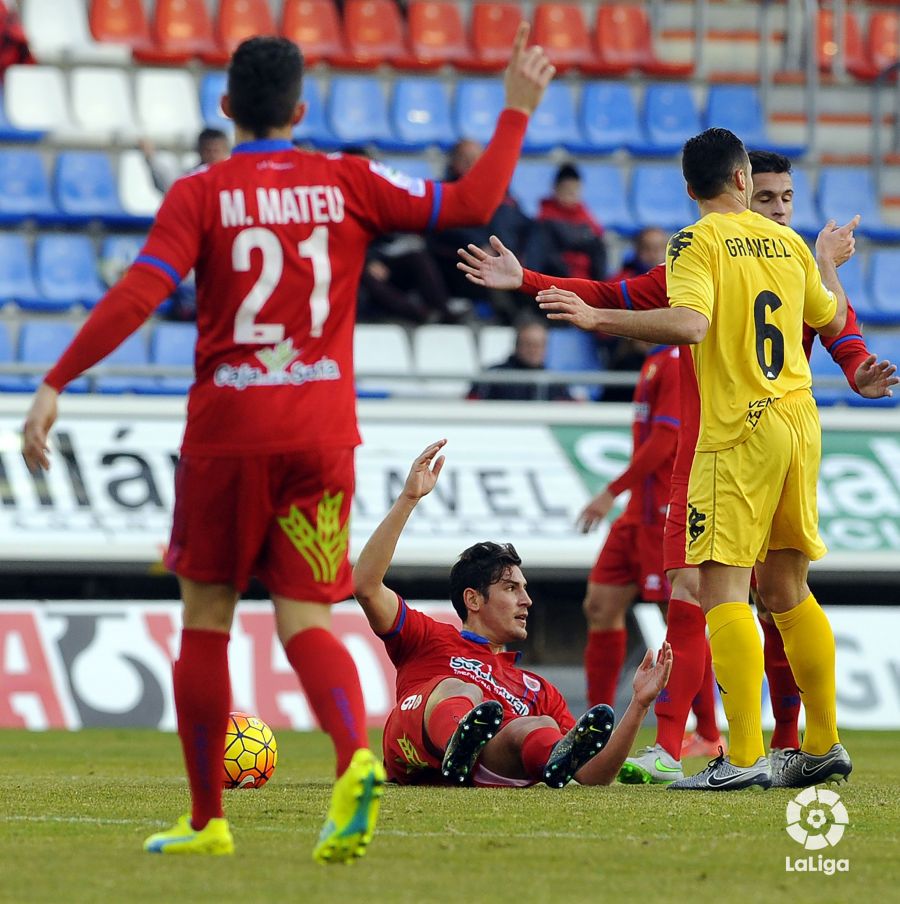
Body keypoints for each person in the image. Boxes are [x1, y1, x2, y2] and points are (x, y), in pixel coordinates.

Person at [22, 29, 555, 859]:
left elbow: (139, 291)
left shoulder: (201, 192)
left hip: (229, 436)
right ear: (301, 110)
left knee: (207, 620)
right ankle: (351, 764)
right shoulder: (346, 180)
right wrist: (517, 110)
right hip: (319, 437)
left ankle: (206, 821)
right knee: (306, 610)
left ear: (228, 108)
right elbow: (473, 202)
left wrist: (56, 378)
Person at [456, 145, 897, 788]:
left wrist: (597, 319)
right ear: (743, 179)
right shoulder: (793, 248)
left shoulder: (700, 240)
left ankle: (741, 758)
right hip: (799, 425)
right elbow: (832, 317)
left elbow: (687, 324)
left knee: (721, 594)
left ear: (690, 190)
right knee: (785, 591)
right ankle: (823, 744)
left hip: (738, 431)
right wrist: (833, 287)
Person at [353, 440, 673, 788]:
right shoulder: (427, 637)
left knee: (537, 726)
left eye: (525, 588)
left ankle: (523, 760)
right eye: (511, 588)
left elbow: (593, 776)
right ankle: (455, 746)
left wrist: (640, 704)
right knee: (461, 690)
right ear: (473, 600)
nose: (527, 600)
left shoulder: (537, 690)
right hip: (411, 745)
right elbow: (367, 586)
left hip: (484, 767)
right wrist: (408, 499)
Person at [578, 341, 681, 713]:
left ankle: (703, 727)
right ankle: (596, 721)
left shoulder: (675, 361)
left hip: (662, 510)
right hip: (637, 510)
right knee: (600, 605)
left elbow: (666, 441)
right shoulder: (653, 361)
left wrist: (610, 492)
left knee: (680, 617)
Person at [428, 138, 533, 321]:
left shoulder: (501, 194)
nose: (472, 163)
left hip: (500, 256)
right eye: (465, 158)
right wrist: (479, 244)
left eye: (477, 158)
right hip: (459, 263)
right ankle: (512, 314)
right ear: (453, 162)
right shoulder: (442, 191)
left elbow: (523, 225)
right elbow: (444, 227)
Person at [525, 162, 607, 282]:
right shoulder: (545, 220)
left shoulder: (586, 217)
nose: (571, 193)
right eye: (567, 189)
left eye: (575, 189)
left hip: (587, 283)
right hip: (557, 282)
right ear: (556, 189)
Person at [468, 317, 573, 401]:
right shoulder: (493, 376)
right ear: (517, 345)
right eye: (529, 344)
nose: (534, 350)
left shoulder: (554, 382)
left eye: (540, 345)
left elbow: (572, 412)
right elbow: (471, 408)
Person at [140, 127, 231, 194]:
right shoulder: (189, 181)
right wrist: (150, 158)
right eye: (208, 151)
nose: (212, 155)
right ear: (199, 151)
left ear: (226, 152)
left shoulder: (233, 181)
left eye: (216, 151)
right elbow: (169, 189)